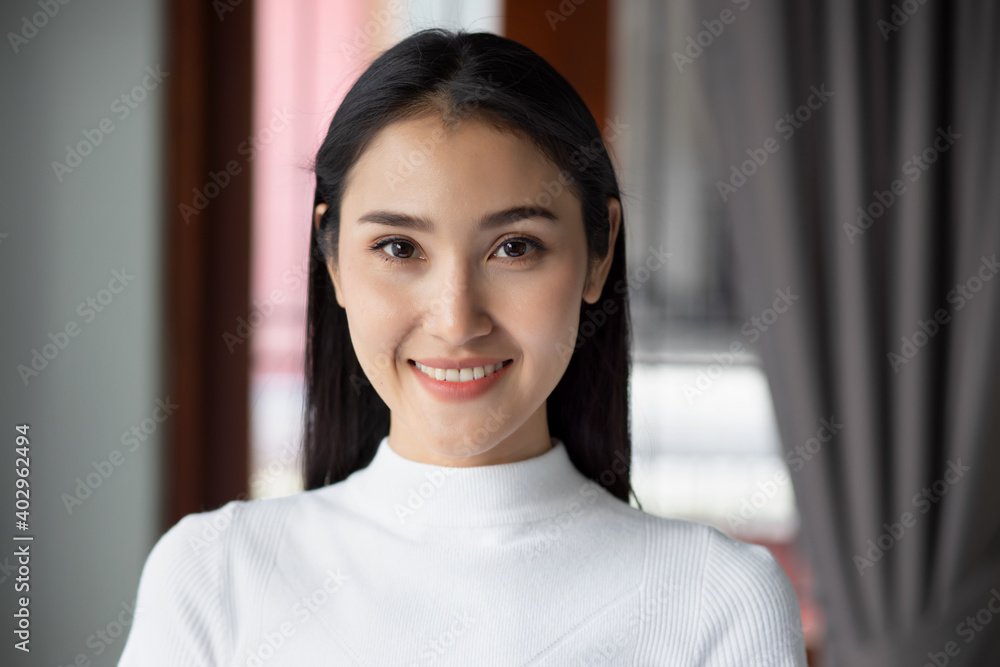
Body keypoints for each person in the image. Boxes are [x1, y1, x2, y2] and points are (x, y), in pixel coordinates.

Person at [119, 28, 807, 666]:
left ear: (598, 254)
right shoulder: (214, 574)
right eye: (398, 248)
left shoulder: (716, 601)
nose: (455, 321)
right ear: (333, 261)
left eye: (515, 247)